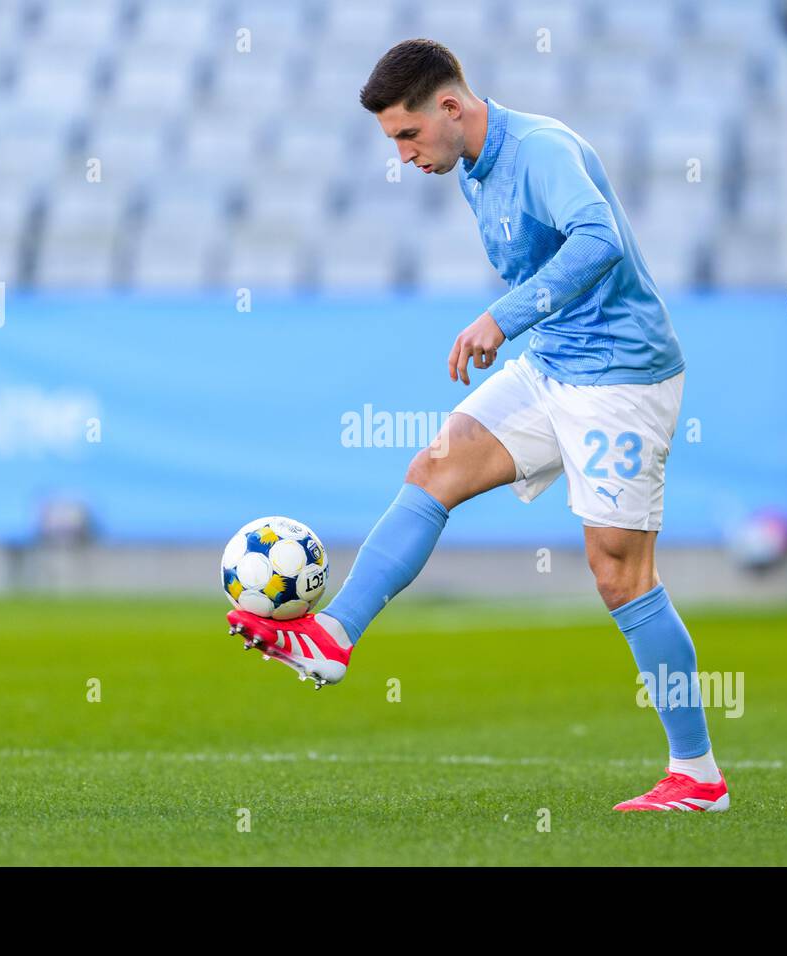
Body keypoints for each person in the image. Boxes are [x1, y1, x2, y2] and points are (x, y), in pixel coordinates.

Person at [227, 39, 727, 812]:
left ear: (450, 108)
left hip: (621, 377)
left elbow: (600, 239)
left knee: (619, 575)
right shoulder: (470, 167)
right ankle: (333, 638)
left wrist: (505, 316)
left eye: (407, 135)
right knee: (434, 468)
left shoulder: (543, 150)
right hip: (555, 365)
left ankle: (696, 774)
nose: (402, 155)